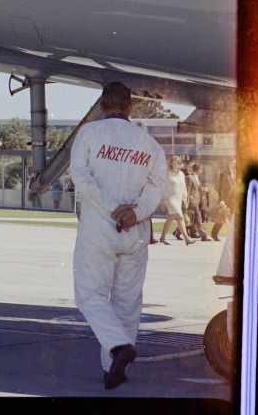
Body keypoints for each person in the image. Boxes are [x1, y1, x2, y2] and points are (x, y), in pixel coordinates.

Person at [69, 81, 168, 390]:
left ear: (101, 106)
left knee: (90, 294)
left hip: (99, 227)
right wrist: (135, 212)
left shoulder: (88, 134)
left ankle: (117, 348)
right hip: (135, 231)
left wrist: (113, 208)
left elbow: (81, 177)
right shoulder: (147, 143)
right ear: (130, 107)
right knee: (127, 301)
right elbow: (160, 186)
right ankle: (114, 369)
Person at [158, 156, 192, 245]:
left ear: (180, 164)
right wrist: (162, 200)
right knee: (180, 217)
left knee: (170, 218)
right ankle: (187, 238)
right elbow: (163, 187)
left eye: (177, 162)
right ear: (171, 163)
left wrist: (184, 200)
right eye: (173, 162)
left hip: (178, 199)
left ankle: (162, 238)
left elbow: (184, 188)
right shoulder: (167, 174)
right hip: (170, 199)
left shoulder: (181, 174)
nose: (175, 164)